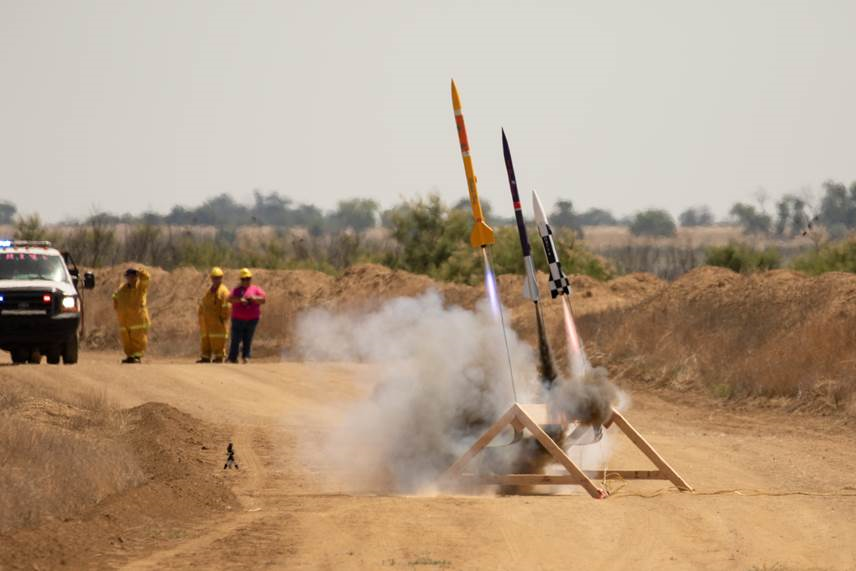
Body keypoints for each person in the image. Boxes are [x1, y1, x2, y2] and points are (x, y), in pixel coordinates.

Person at [112, 266, 151, 364]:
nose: (130, 278)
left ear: (136, 276)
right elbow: (116, 295)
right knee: (126, 339)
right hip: (124, 320)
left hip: (138, 319)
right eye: (128, 276)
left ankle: (137, 356)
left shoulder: (140, 287)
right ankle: (130, 356)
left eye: (132, 276)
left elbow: (146, 278)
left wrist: (141, 272)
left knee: (138, 338)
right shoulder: (123, 288)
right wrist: (116, 305)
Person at [227, 268, 266, 364]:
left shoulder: (255, 289)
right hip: (238, 319)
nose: (246, 281)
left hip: (252, 319)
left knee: (248, 338)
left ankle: (246, 357)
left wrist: (254, 298)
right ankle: (233, 358)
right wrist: (240, 300)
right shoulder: (236, 290)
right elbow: (229, 299)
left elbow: (263, 300)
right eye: (244, 279)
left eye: (248, 278)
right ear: (241, 280)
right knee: (235, 339)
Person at [197, 267, 231, 363]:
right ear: (211, 278)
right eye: (214, 277)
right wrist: (200, 316)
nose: (216, 279)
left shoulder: (223, 291)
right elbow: (203, 303)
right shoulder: (209, 291)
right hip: (206, 322)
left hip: (218, 322)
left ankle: (219, 357)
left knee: (218, 340)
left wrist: (223, 317)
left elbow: (227, 306)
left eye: (218, 277)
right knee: (205, 340)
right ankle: (205, 357)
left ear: (221, 278)